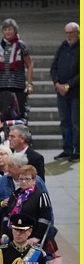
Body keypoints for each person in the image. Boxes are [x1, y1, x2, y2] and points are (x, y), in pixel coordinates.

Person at [0, 18, 33, 118]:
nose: (7, 32)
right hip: (1, 85)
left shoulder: (21, 46)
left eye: (10, 29)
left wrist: (30, 84)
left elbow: (29, 65)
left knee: (18, 112)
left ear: (15, 30)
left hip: (17, 85)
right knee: (0, 114)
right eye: (5, 30)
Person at [49, 22, 79, 161]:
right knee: (64, 121)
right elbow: (54, 67)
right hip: (61, 91)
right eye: (66, 33)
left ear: (77, 33)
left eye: (71, 32)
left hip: (76, 92)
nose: (68, 35)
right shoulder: (63, 46)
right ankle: (67, 149)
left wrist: (68, 85)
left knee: (76, 122)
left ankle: (77, 149)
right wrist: (57, 83)